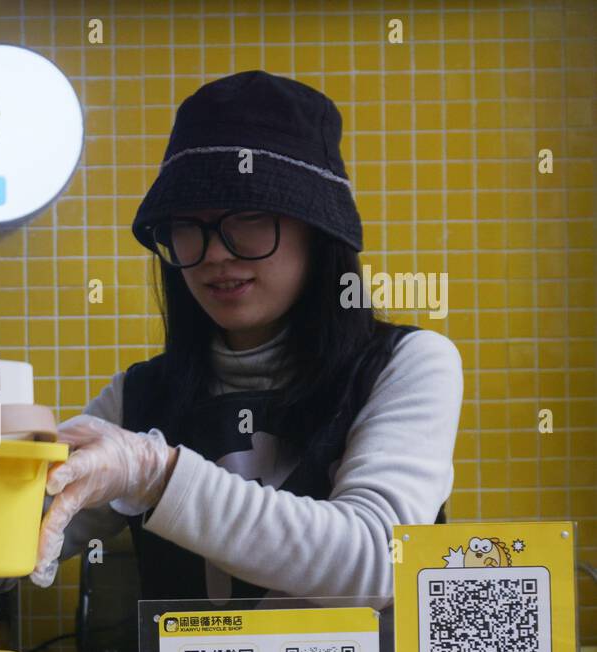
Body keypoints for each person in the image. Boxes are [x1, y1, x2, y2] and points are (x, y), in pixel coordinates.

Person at [30, 70, 463, 612]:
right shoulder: (137, 398)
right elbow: (11, 545)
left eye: (249, 218)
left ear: (318, 232)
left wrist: (157, 475)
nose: (214, 253)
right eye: (188, 225)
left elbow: (379, 562)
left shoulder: (407, 364)